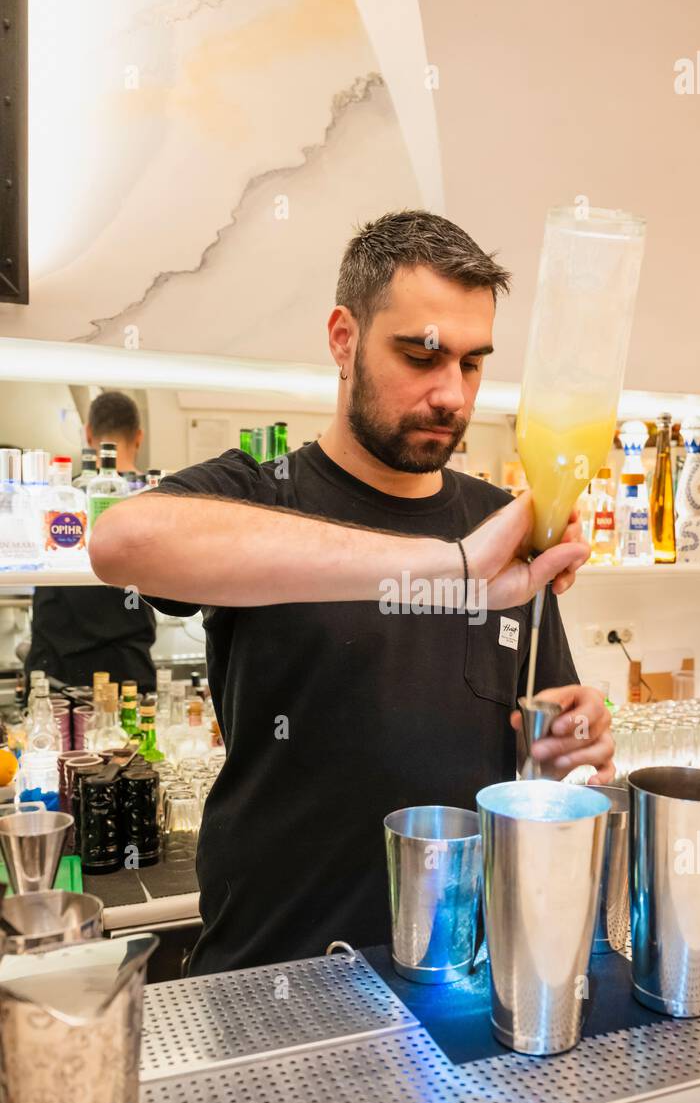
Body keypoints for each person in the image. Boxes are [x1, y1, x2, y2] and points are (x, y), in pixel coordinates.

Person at [90, 210, 613, 975]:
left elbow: (547, 731)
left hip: (457, 983)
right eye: (421, 356)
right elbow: (120, 543)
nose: (451, 395)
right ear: (344, 339)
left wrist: (574, 738)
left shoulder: (500, 523)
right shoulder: (262, 493)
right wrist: (451, 567)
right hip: (273, 980)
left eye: (471, 364)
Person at [26, 391, 157, 689]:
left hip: (56, 668)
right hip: (127, 665)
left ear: (88, 434)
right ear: (138, 437)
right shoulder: (153, 498)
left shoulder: (57, 500)